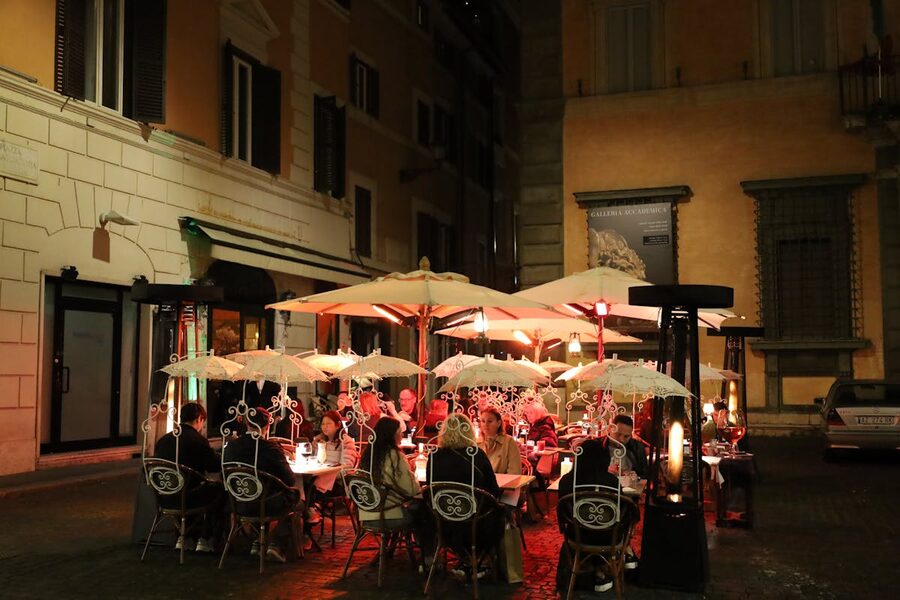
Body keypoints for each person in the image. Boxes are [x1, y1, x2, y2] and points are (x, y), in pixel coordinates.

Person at [427, 413, 503, 580]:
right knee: (501, 513)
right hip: (476, 523)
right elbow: (493, 489)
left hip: (444, 523)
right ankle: (477, 563)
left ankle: (466, 561)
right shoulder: (477, 455)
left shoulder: (434, 457)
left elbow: (430, 488)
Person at [223, 406, 301, 563]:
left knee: (269, 493)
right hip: (267, 504)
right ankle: (276, 544)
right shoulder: (271, 448)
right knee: (295, 499)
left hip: (239, 503)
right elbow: (290, 480)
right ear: (267, 426)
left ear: (246, 424)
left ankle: (258, 541)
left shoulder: (231, 447)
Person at [154, 402, 224, 553]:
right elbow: (213, 466)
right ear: (199, 419)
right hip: (188, 496)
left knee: (197, 485)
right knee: (220, 490)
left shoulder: (164, 440)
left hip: (164, 496)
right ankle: (207, 538)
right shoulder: (196, 440)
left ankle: (185, 536)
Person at [555, 439, 623, 593]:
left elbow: (562, 511)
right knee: (612, 527)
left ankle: (587, 570)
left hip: (577, 536)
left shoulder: (567, 481)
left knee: (586, 529)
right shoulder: (611, 482)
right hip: (608, 538)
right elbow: (623, 511)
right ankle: (602, 570)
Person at [478, 406, 521, 475]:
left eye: (490, 421)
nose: (486, 425)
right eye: (483, 421)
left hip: (503, 484)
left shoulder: (509, 442)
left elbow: (515, 472)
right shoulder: (476, 443)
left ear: (499, 423)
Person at [603, 414, 648, 478]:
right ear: (610, 429)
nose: (621, 439)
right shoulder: (597, 446)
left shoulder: (637, 447)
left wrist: (637, 477)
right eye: (618, 434)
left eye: (626, 436)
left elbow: (645, 474)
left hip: (629, 486)